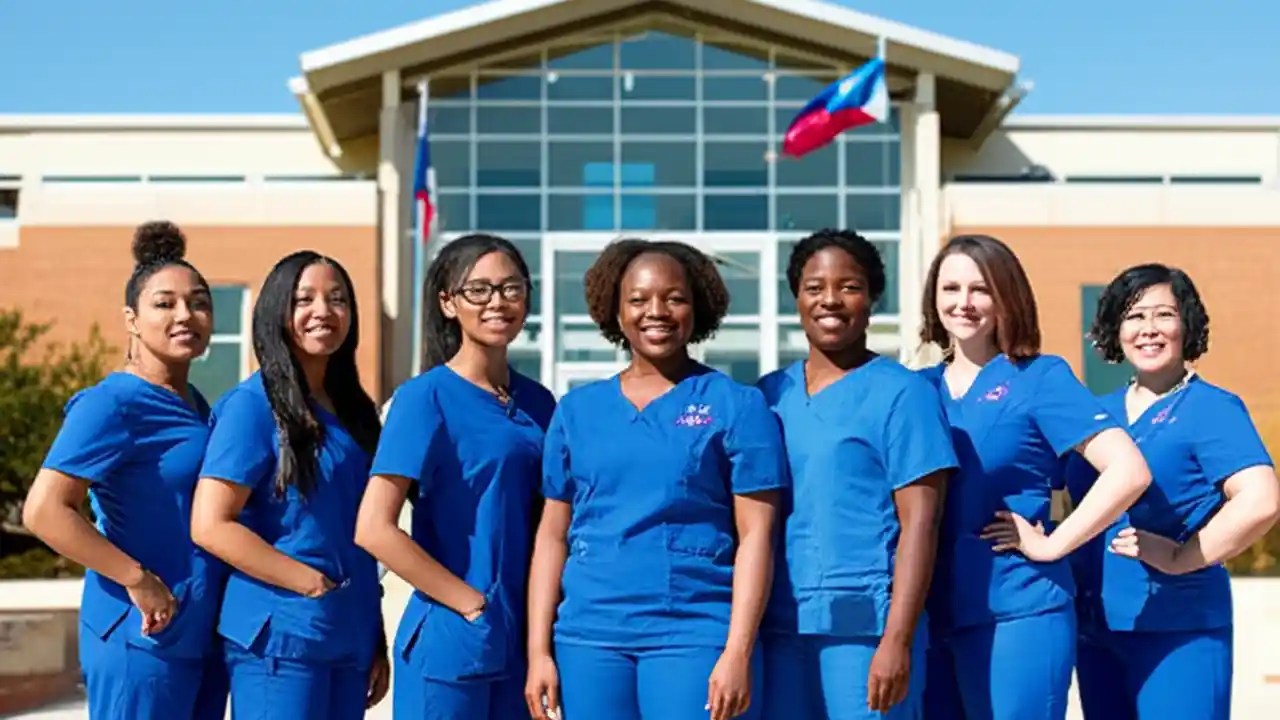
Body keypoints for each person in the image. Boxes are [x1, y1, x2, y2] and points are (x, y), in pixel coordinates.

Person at [525, 239, 785, 720]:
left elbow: (757, 536)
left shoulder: (736, 405)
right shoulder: (577, 411)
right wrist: (538, 651)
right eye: (638, 299)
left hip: (695, 633)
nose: (656, 312)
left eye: (674, 298)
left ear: (697, 306)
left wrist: (738, 651)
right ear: (616, 312)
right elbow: (552, 535)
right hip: (588, 637)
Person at [916, 234, 1151, 720]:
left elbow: (1128, 470)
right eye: (950, 288)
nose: (963, 303)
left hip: (1019, 610)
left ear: (1007, 297)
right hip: (932, 615)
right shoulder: (917, 389)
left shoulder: (1039, 378)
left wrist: (1052, 544)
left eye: (980, 289)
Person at [22, 221, 227, 719]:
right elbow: (44, 510)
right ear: (131, 320)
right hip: (140, 636)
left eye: (199, 302)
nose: (186, 315)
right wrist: (136, 579)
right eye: (165, 304)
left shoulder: (196, 403)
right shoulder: (111, 404)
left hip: (198, 634)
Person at [354, 233, 556, 719]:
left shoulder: (539, 403)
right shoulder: (426, 398)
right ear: (448, 303)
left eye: (511, 288)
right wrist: (468, 603)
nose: (498, 302)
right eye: (478, 290)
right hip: (452, 636)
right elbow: (373, 528)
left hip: (521, 642)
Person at [757, 230, 956, 720]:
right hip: (780, 627)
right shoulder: (767, 395)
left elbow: (921, 526)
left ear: (871, 298)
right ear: (797, 298)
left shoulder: (903, 394)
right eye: (814, 287)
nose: (830, 300)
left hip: (866, 629)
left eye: (849, 286)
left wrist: (897, 640)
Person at [1066, 263, 1279, 720]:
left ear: (1187, 324)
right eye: (1134, 316)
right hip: (1097, 627)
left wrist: (1182, 557)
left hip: (1178, 628)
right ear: (1114, 329)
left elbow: (1261, 499)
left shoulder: (1212, 408)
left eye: (1164, 315)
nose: (1149, 329)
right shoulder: (1095, 414)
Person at [190, 251, 389, 720]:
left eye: (337, 298)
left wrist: (371, 632)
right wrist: (309, 583)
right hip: (279, 637)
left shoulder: (355, 412)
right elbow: (210, 523)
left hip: (348, 633)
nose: (324, 310)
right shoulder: (251, 407)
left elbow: (354, 533)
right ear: (277, 312)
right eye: (305, 299)